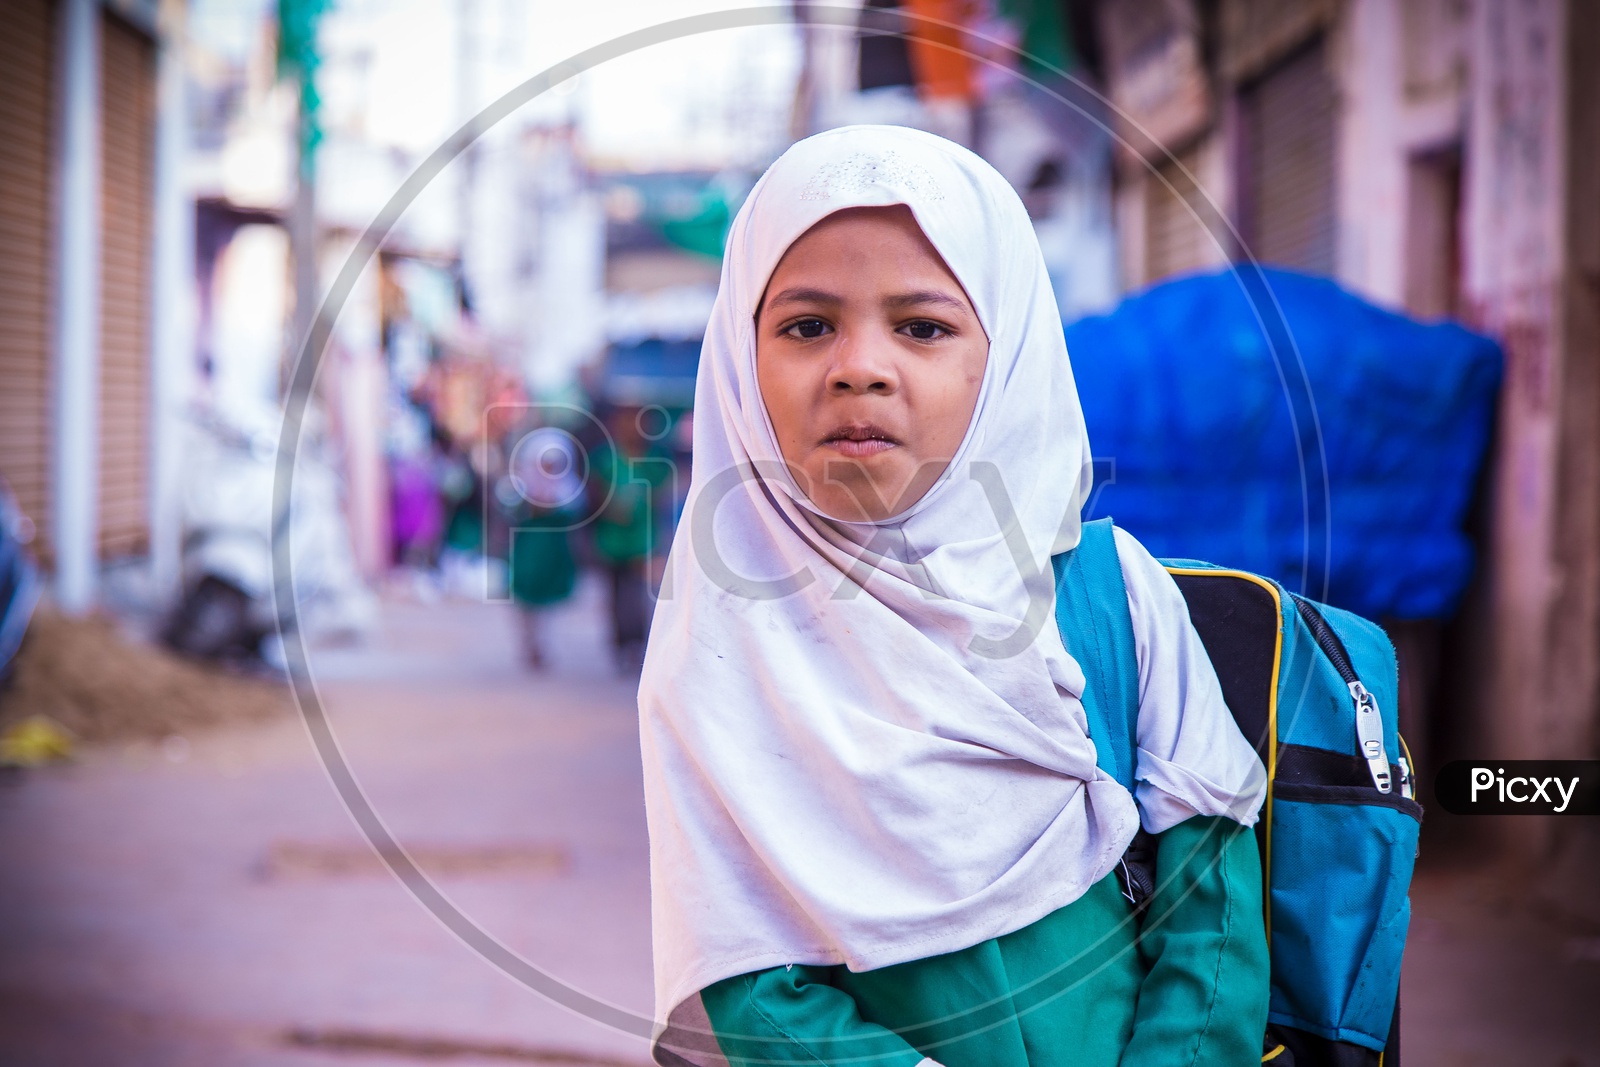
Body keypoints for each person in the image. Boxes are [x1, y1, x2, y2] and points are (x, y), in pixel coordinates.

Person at [638, 126, 1271, 1067]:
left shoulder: (1112, 595)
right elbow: (747, 983)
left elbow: (1210, 904)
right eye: (807, 326)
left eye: (923, 327)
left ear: (1004, 355)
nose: (860, 366)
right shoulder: (718, 649)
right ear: (741, 360)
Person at [505, 428, 581, 669]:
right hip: (527, 554)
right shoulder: (518, 487)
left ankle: (544, 647)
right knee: (525, 602)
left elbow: (575, 511)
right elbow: (508, 510)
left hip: (553, 555)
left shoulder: (568, 488)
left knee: (550, 607)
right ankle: (528, 645)